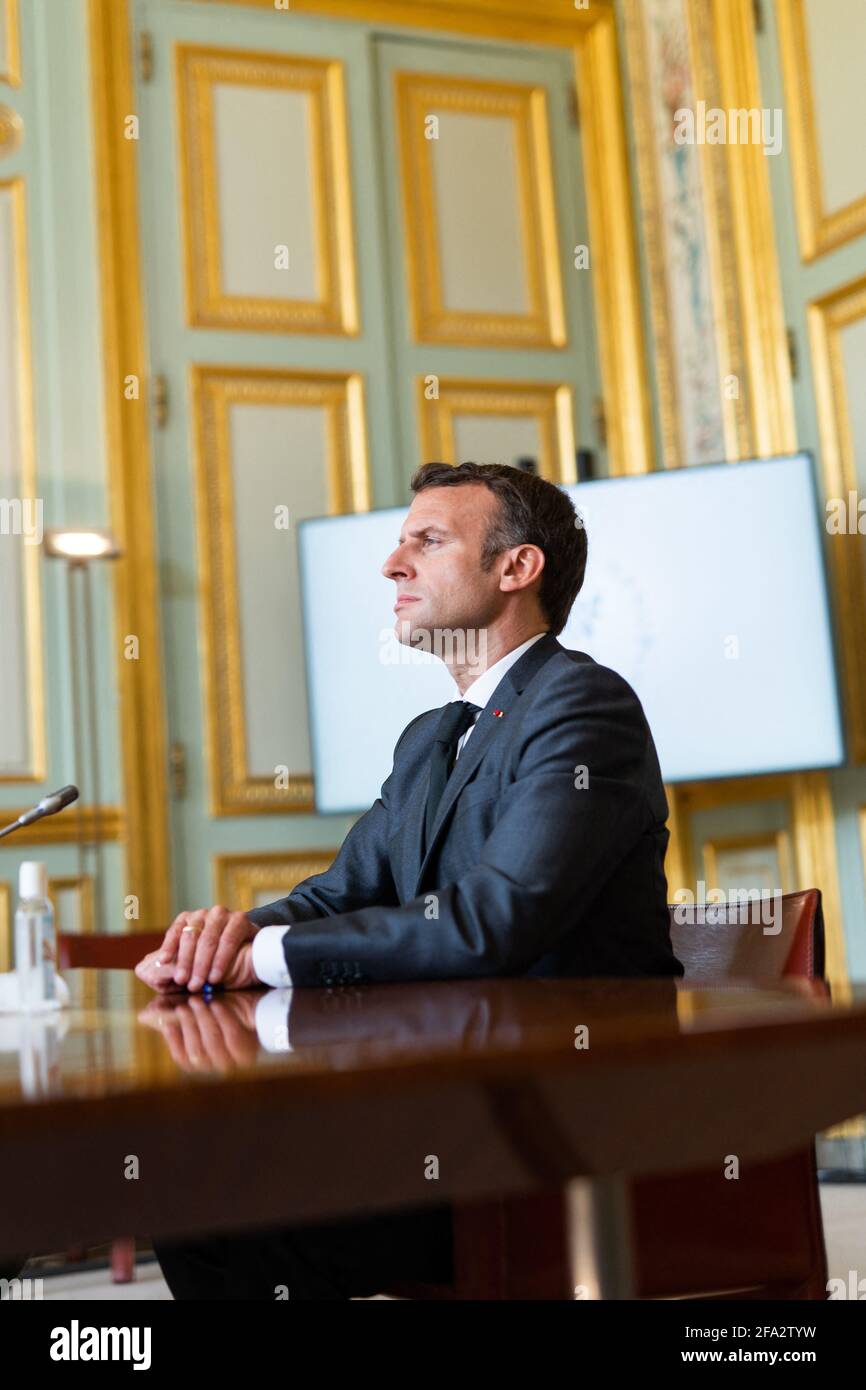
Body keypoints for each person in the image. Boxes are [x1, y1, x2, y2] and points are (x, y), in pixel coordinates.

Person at [136, 460, 683, 1299]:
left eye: (426, 542)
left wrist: (268, 958)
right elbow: (341, 890)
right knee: (191, 1183)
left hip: (559, 1134)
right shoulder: (431, 733)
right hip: (455, 1112)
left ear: (516, 568)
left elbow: (494, 920)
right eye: (400, 545)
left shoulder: (583, 706)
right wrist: (227, 938)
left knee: (221, 1204)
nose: (393, 566)